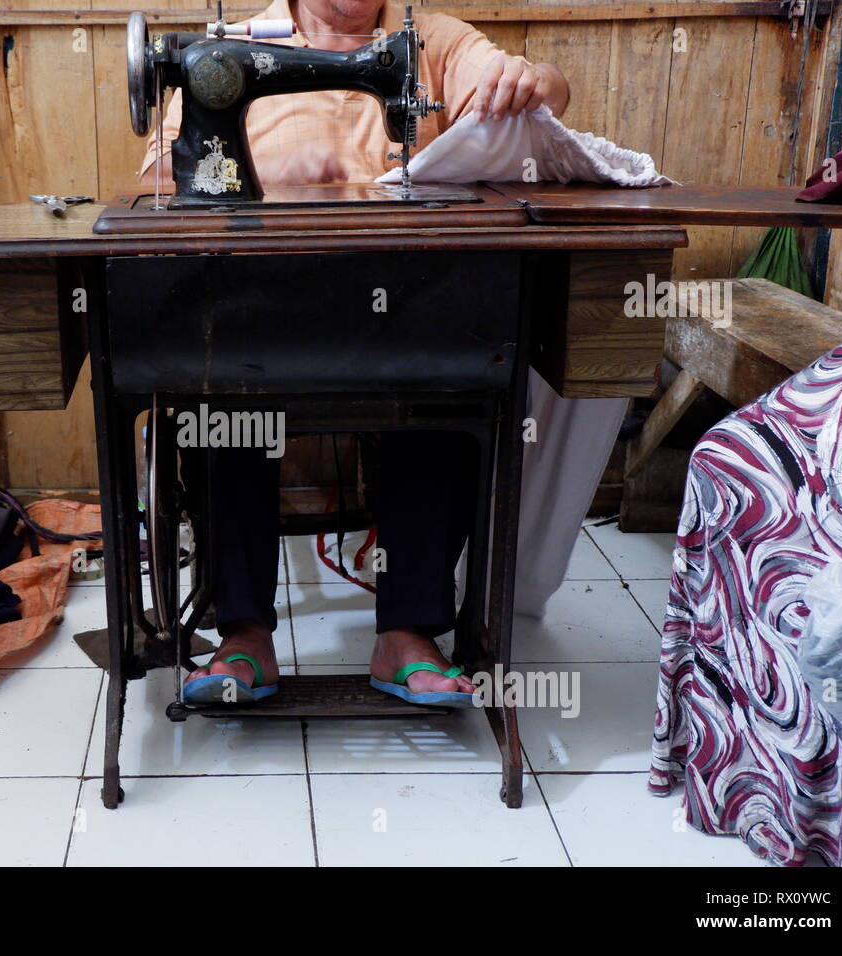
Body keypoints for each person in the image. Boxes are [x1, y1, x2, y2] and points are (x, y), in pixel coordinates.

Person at [138, 0, 570, 705]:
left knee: (459, 384)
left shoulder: (429, 36)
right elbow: (160, 171)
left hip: (405, 295)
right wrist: (281, 178)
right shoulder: (235, 46)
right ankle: (243, 634)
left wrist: (539, 79)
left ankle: (407, 632)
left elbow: (539, 86)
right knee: (215, 398)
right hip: (260, 301)